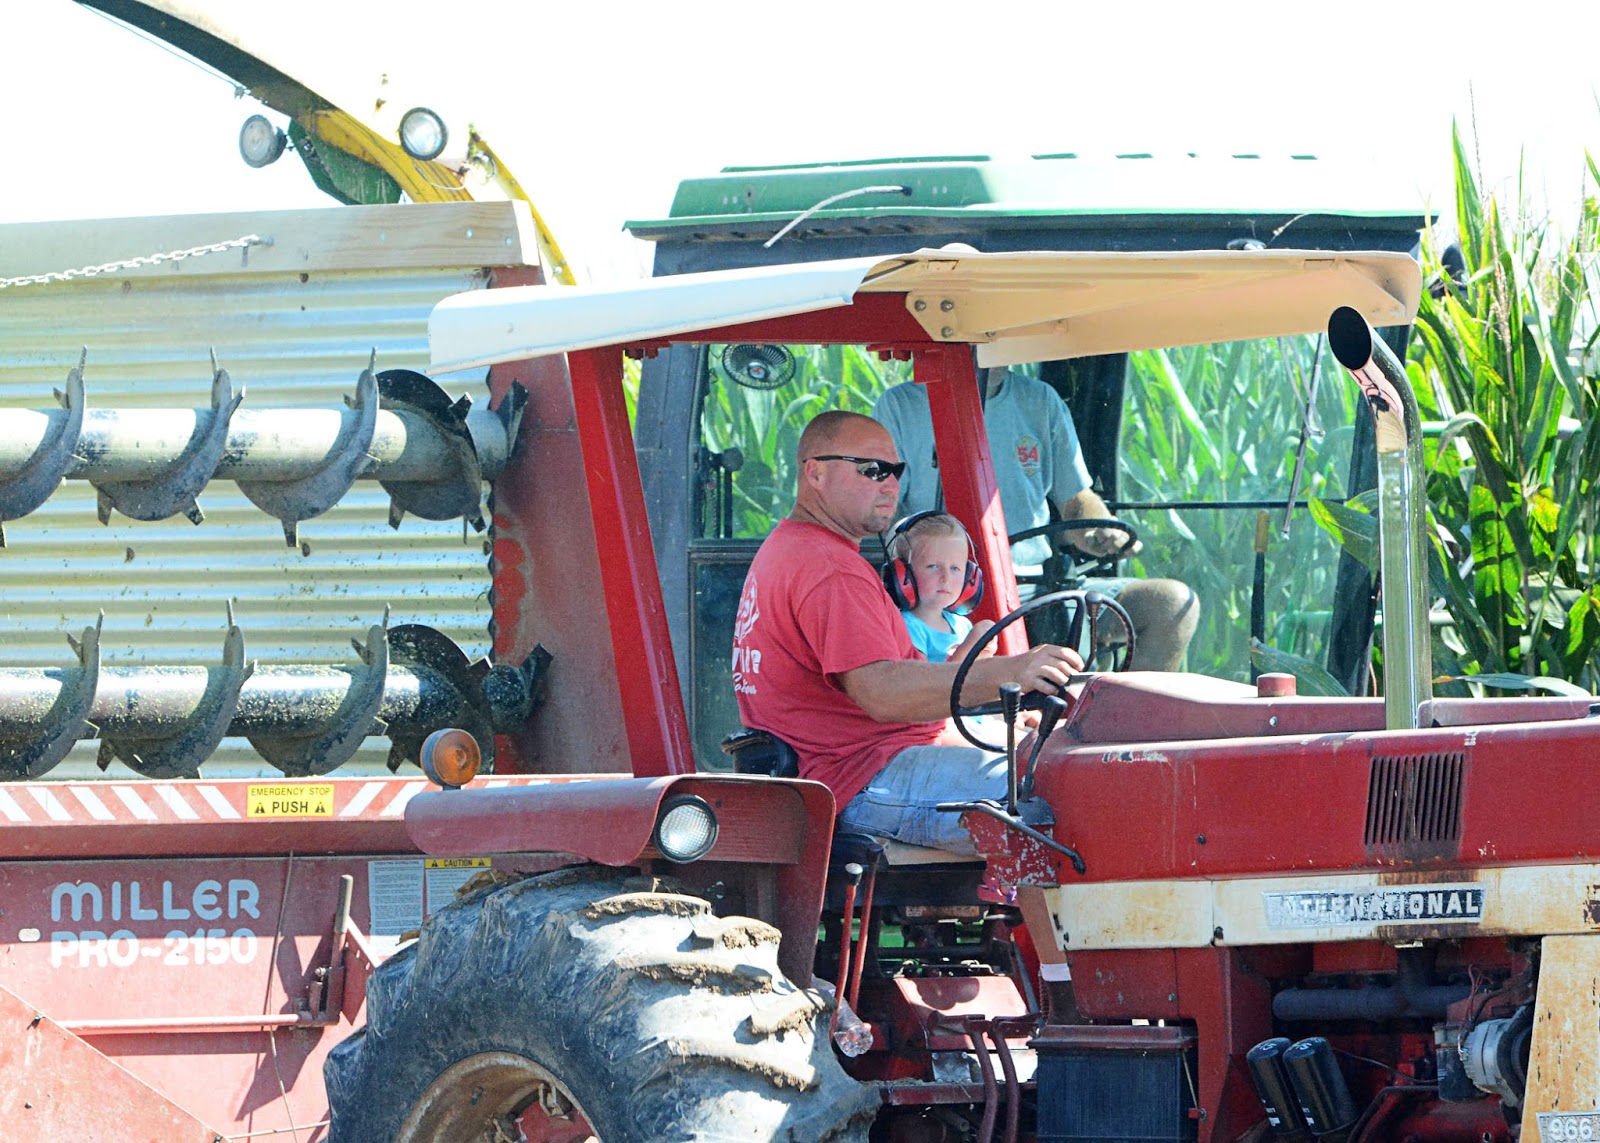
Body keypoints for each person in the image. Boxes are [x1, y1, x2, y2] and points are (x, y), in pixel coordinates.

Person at [731, 410, 1080, 855]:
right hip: (865, 780)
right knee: (1077, 794)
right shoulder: (829, 569)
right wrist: (1010, 671)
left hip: (866, 766)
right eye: (872, 470)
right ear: (814, 472)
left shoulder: (792, 550)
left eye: (896, 471)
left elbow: (901, 704)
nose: (890, 483)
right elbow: (882, 693)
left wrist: (1000, 724)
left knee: (1056, 762)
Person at [872, 366, 1199, 671]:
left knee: (1171, 605)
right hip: (947, 585)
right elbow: (885, 508)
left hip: (1040, 584)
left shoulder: (1040, 401)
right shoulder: (901, 406)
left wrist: (1097, 527)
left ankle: (1120, 725)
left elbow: (1076, 500)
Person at [885, 512, 980, 662]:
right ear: (904, 574)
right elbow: (923, 681)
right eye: (934, 566)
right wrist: (971, 644)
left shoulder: (963, 625)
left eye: (955, 568)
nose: (946, 578)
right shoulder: (907, 627)